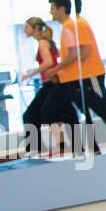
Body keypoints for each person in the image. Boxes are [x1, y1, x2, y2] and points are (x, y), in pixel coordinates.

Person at [42, 0, 106, 154]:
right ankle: (91, 148)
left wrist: (55, 69)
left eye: (53, 8)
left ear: (62, 9)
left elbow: (82, 52)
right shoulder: (69, 26)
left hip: (89, 75)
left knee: (103, 108)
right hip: (74, 79)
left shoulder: (76, 24)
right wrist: (60, 71)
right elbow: (72, 53)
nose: (50, 12)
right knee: (77, 112)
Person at [19, 17, 76, 156]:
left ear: (35, 28)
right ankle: (52, 146)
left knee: (34, 115)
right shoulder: (45, 41)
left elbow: (49, 62)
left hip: (52, 83)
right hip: (51, 82)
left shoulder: (43, 42)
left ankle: (38, 148)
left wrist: (29, 74)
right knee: (49, 114)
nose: (24, 30)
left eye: (26, 27)